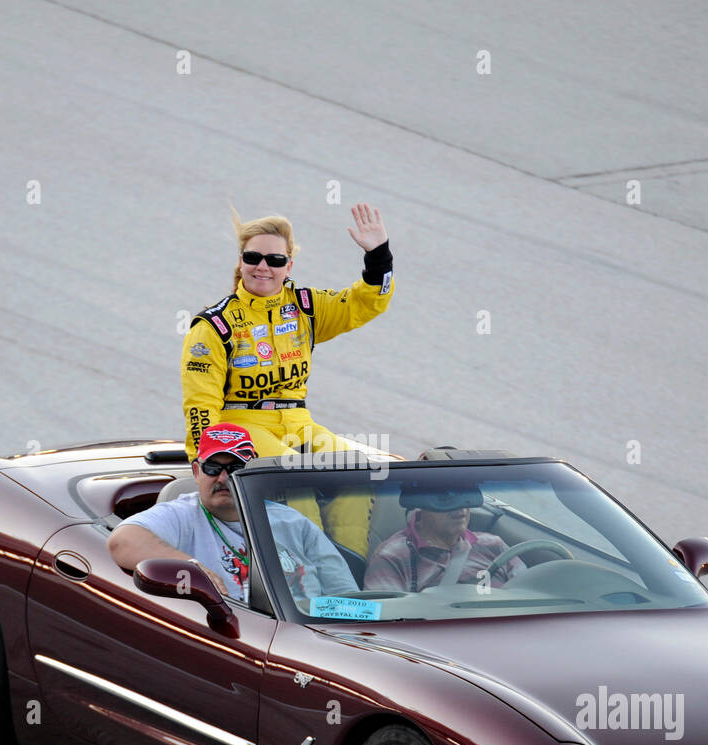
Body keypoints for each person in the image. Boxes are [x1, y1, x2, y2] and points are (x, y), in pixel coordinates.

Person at [180, 203, 394, 554]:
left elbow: (366, 302)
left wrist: (378, 254)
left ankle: (346, 574)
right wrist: (204, 463)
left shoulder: (305, 307)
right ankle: (304, 581)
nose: (263, 266)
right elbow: (200, 406)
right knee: (295, 483)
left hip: (298, 421)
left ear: (288, 266)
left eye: (275, 260)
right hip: (242, 424)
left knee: (357, 473)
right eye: (253, 257)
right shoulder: (213, 327)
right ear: (241, 262)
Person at [108, 423, 356, 601]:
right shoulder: (182, 515)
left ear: (252, 471)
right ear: (196, 472)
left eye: (236, 467)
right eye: (213, 467)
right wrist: (194, 568)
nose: (224, 478)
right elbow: (122, 542)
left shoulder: (292, 522)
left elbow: (349, 600)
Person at [364, 487, 526, 592]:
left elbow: (528, 596)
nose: (461, 507)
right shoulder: (392, 558)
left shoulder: (494, 546)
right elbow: (387, 625)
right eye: (446, 496)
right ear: (421, 502)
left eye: (465, 494)